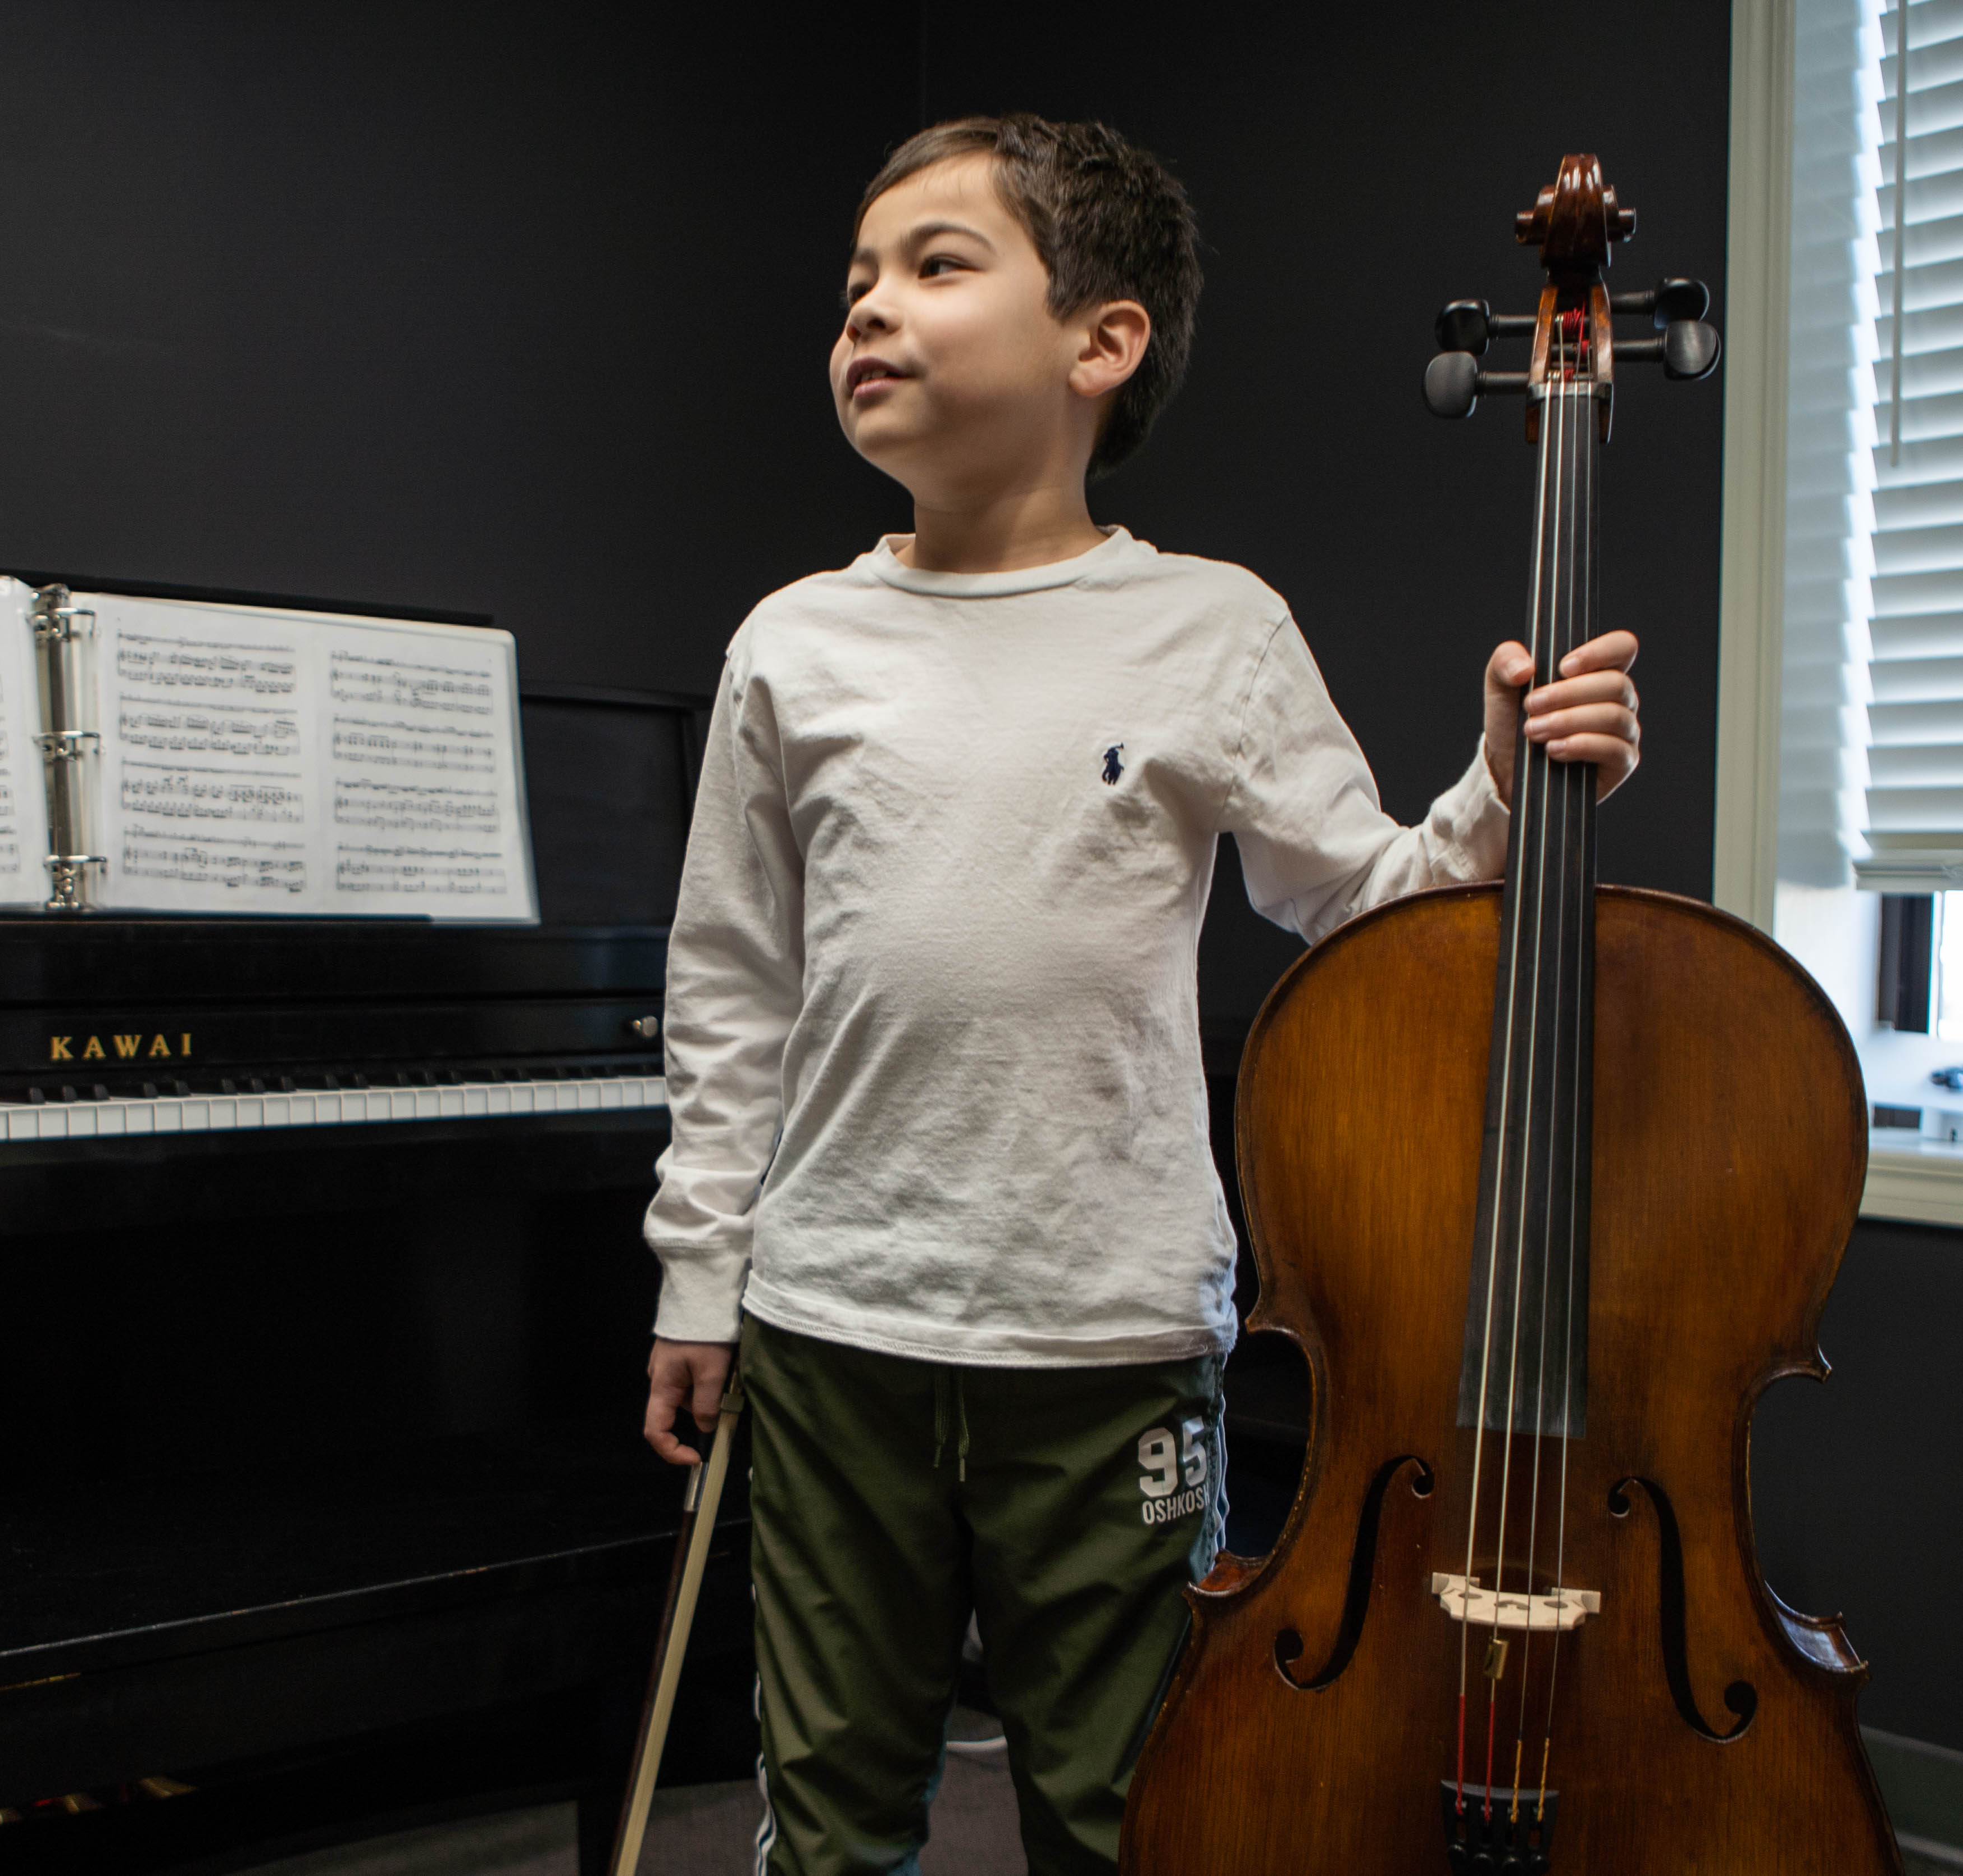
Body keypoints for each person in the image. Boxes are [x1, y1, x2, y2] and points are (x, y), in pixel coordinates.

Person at [635, 115, 1643, 1875]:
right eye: (855, 282)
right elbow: (731, 983)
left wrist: (1498, 787)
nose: (869, 311)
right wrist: (701, 1268)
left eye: (936, 267)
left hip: (1107, 1342)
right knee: (832, 1805)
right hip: (835, 1330)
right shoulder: (789, 643)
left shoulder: (1214, 628)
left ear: (1104, 344)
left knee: (1127, 1807)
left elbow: (1365, 906)